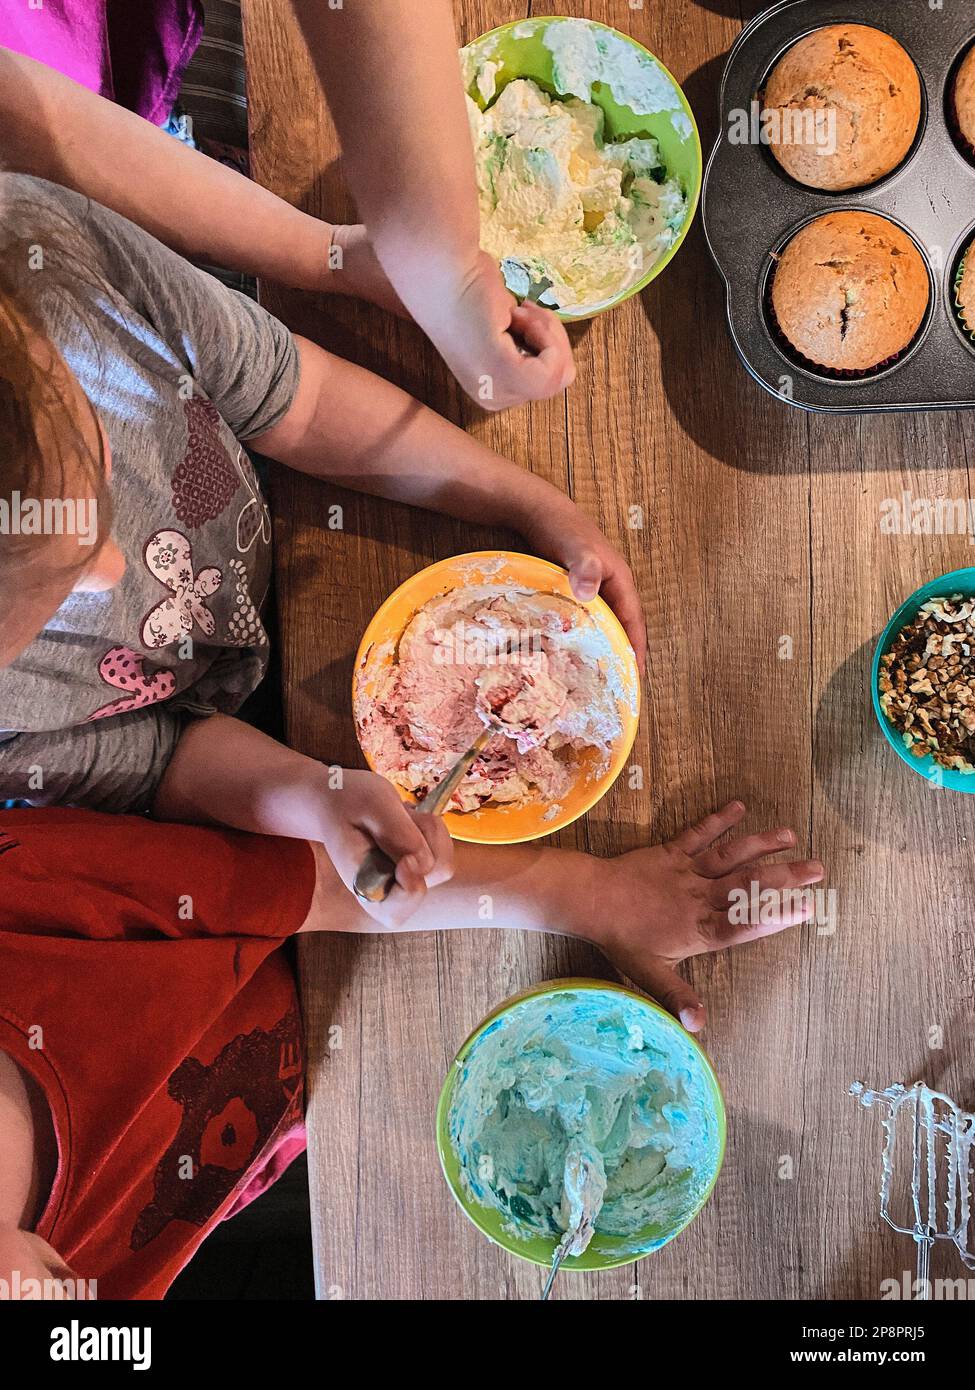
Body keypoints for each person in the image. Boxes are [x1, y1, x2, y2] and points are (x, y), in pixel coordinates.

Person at [0, 48, 639, 930]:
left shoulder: (37, 261)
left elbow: (288, 396)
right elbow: (160, 761)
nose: (113, 567)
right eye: (46, 594)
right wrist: (312, 796)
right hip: (239, 713)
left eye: (96, 470)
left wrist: (522, 501)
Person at [0, 802, 823, 1298]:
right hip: (313, 1132)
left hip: (342, 933)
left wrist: (599, 897)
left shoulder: (25, 913)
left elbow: (319, 876)